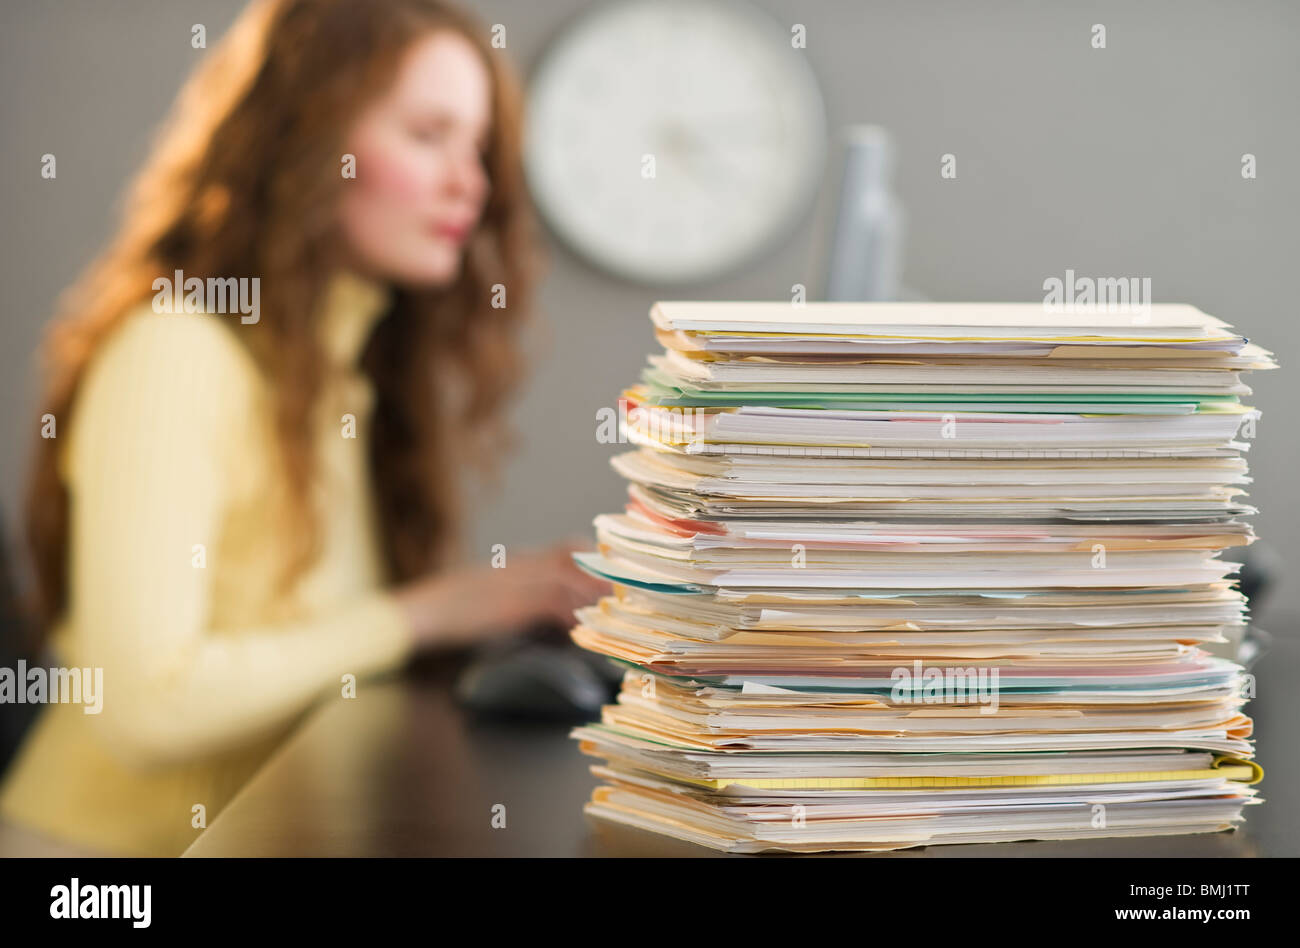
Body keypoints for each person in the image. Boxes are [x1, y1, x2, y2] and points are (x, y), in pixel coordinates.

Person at [0, 0, 608, 857]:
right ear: (306, 139)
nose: (470, 183)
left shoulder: (339, 378)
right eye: (428, 135)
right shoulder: (178, 352)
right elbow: (143, 706)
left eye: (477, 148)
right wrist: (430, 613)